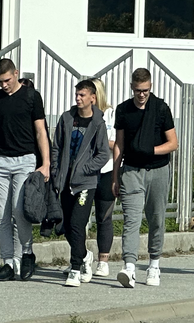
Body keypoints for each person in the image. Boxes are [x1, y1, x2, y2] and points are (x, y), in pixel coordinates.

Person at [0, 58, 48, 282]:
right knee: (1, 213)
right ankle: (7, 262)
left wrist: (45, 163)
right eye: (0, 82)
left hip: (25, 160)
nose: (4, 85)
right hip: (0, 161)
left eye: (7, 80)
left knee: (19, 210)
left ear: (16, 73)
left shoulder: (31, 96)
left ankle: (26, 254)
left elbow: (40, 131)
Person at [113, 67, 179, 288]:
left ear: (151, 87)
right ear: (132, 87)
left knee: (156, 218)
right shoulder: (123, 110)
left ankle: (154, 265)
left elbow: (173, 143)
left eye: (146, 90)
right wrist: (115, 175)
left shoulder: (160, 108)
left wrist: (150, 150)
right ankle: (129, 267)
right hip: (131, 170)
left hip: (158, 170)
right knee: (131, 219)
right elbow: (119, 145)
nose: (142, 95)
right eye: (139, 90)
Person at [51, 80, 111, 287]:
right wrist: (56, 172)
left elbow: (103, 154)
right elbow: (56, 147)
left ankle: (75, 268)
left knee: (77, 223)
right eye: (77, 95)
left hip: (86, 182)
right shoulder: (67, 119)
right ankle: (85, 255)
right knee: (66, 225)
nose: (78, 98)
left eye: (82, 95)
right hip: (65, 181)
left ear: (92, 98)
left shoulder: (98, 123)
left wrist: (85, 169)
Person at [89, 78, 116, 278]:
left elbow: (116, 143)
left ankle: (103, 260)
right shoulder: (80, 114)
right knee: (77, 218)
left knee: (104, 217)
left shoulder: (110, 114)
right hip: (85, 172)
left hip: (106, 170)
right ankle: (79, 257)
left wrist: (100, 139)